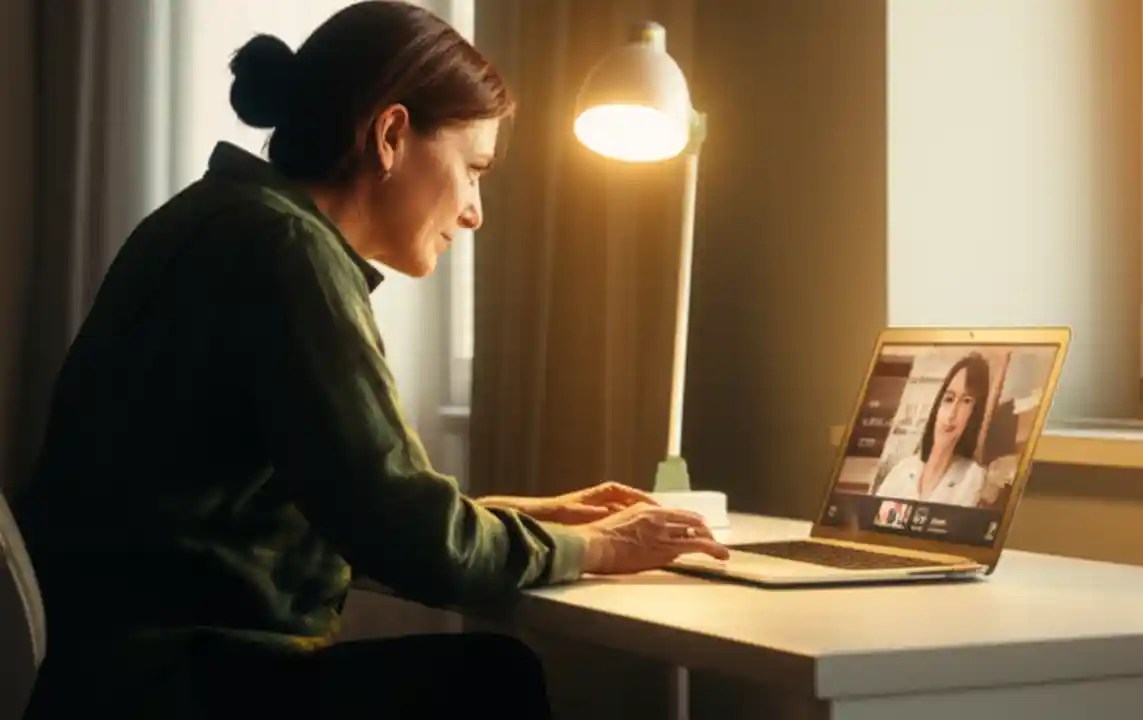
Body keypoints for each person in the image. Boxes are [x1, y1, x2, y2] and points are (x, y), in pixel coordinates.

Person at [16, 3, 729, 718]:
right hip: (178, 684)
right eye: (474, 169)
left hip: (102, 673)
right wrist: (596, 549)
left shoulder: (214, 217)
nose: (476, 210)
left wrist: (539, 520)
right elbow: (415, 545)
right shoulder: (288, 254)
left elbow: (346, 507)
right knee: (488, 679)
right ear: (391, 135)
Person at [874, 353, 991, 507]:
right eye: (949, 399)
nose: (952, 413)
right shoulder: (903, 469)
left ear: (975, 413)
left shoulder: (973, 477)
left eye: (966, 401)